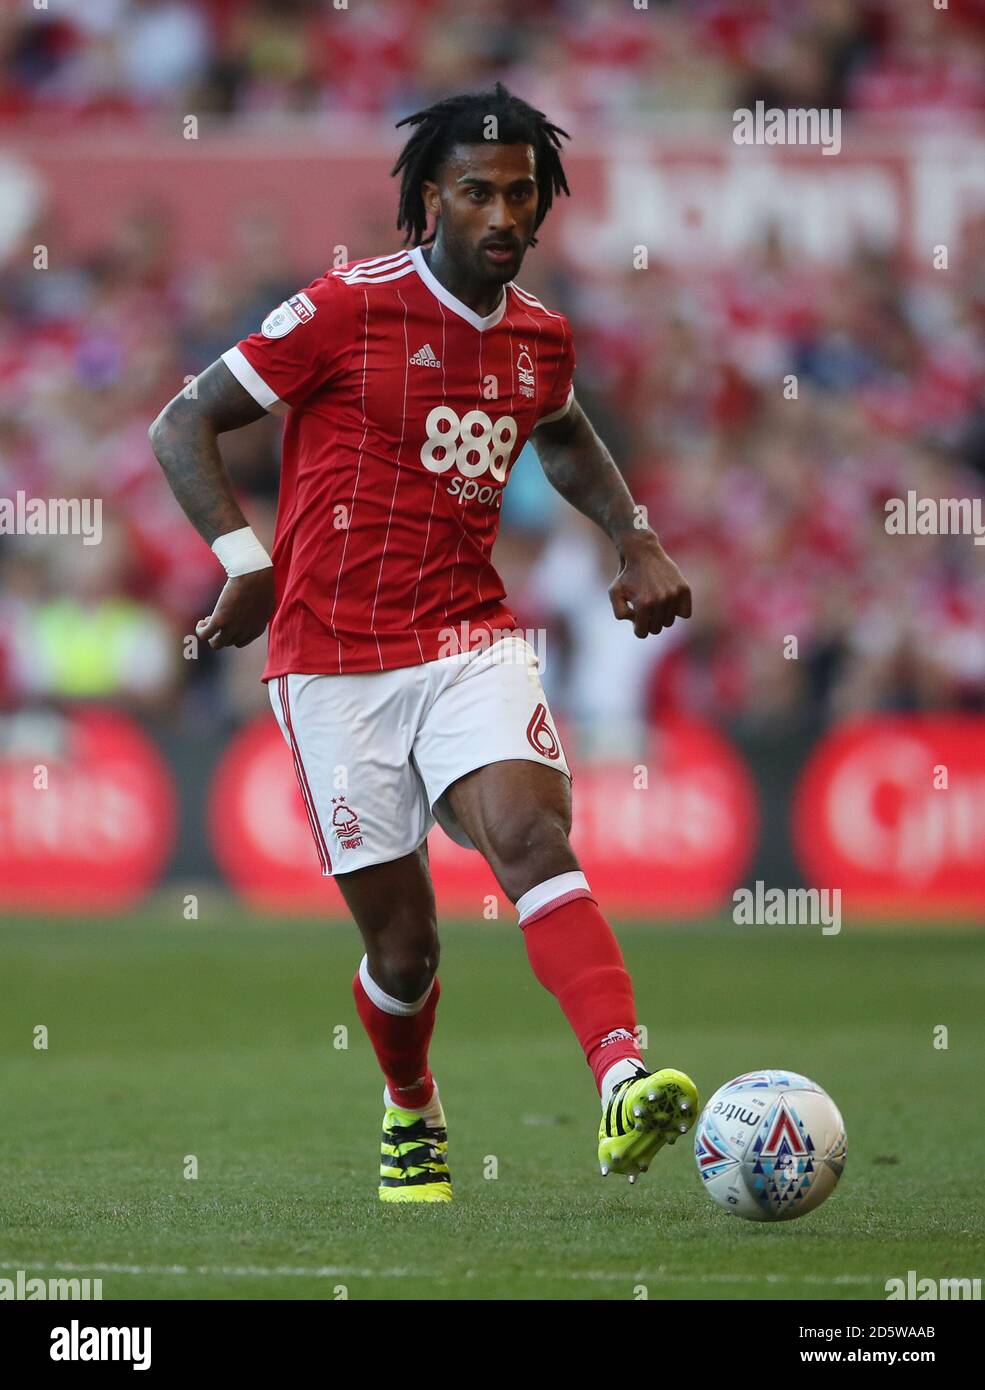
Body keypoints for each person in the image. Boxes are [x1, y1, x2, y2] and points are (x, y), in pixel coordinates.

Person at [149, 83, 697, 1202]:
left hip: (467, 639)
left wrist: (632, 538)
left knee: (531, 839)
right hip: (331, 660)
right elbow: (182, 421)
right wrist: (246, 563)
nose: (503, 213)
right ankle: (409, 1106)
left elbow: (565, 430)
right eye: (478, 192)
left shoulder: (540, 338)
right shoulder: (346, 309)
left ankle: (621, 1077)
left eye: (522, 193)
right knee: (406, 954)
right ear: (429, 200)